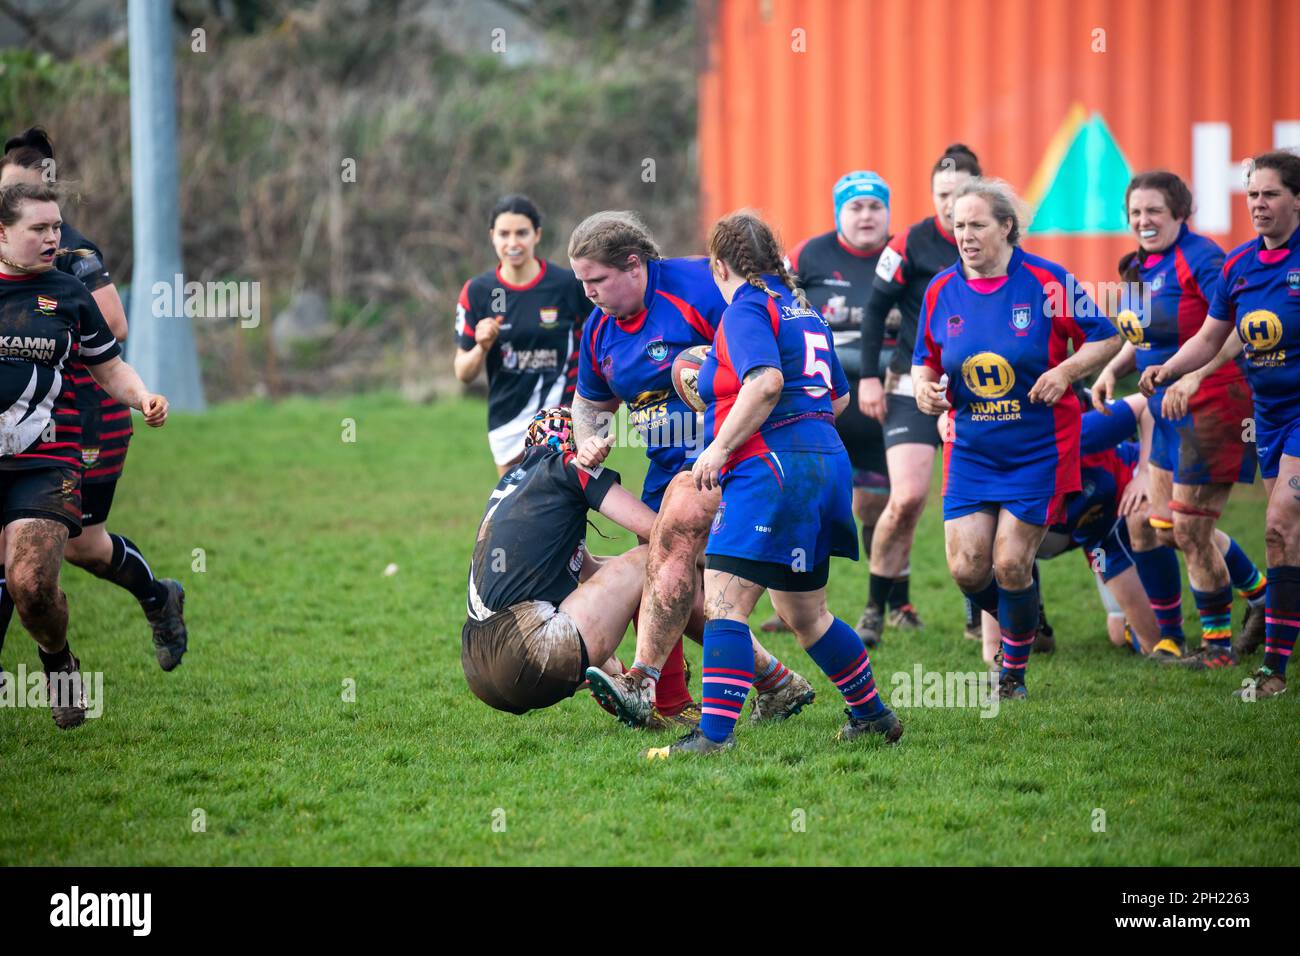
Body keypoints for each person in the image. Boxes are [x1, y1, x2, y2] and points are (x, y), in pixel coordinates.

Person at [641, 211, 902, 757]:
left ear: (720, 264)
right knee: (806, 614)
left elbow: (766, 383)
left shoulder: (746, 308)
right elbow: (838, 399)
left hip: (773, 470)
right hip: (827, 463)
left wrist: (719, 445)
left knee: (724, 605)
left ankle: (713, 738)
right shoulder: (803, 307)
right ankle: (873, 715)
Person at [568, 211, 815, 728]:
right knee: (669, 579)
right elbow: (588, 406)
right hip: (667, 467)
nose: (588, 293)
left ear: (633, 266)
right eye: (581, 282)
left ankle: (654, 691)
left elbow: (769, 343)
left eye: (596, 280)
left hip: (730, 456)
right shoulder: (597, 330)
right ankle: (773, 683)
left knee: (664, 563)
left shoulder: (701, 286)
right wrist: (590, 443)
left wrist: (711, 377)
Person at [913, 178, 1121, 700]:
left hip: (1037, 449)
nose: (965, 235)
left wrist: (1065, 371)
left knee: (1010, 563)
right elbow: (925, 361)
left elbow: (1108, 334)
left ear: (1007, 227)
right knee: (966, 569)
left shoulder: (1047, 283)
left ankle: (1012, 675)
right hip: (971, 450)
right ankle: (1025, 623)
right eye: (958, 225)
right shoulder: (941, 289)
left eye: (977, 224)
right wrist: (924, 391)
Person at [0, 128, 188, 681]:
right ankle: (57, 664)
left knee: (82, 545)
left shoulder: (71, 257)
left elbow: (114, 335)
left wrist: (135, 394)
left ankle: (156, 599)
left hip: (80, 419)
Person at [859, 144, 1039, 646]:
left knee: (992, 506)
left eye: (960, 196)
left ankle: (987, 613)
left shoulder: (1008, 253)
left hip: (983, 396)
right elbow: (875, 311)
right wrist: (872, 378)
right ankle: (876, 607)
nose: (950, 208)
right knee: (910, 495)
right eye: (942, 196)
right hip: (912, 385)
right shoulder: (910, 242)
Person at [1142, 150, 1300, 700]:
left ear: (1297, 199)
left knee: (1278, 525)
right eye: (1252, 194)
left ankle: (1271, 670)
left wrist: (1194, 378)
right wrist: (1169, 368)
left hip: (1268, 413)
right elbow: (1212, 336)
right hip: (1271, 416)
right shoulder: (1239, 265)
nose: (1258, 204)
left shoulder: (1207, 258)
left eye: (1271, 194)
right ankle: (1266, 635)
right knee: (1280, 537)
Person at [1093, 171, 1266, 669]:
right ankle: (1244, 602)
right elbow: (1143, 337)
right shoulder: (1140, 267)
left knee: (1188, 529)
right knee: (1154, 526)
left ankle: (1216, 649)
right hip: (1164, 409)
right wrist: (1112, 368)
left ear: (1180, 214)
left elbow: (1237, 324)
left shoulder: (1203, 258)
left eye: (1155, 212)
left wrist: (1195, 376)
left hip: (1213, 403)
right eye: (1136, 213)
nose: (1143, 221)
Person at [759, 170, 899, 634]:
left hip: (884, 397)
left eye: (875, 206)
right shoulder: (808, 255)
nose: (866, 216)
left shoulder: (903, 257)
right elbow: (770, 303)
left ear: (887, 212)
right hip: (821, 397)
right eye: (855, 207)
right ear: (839, 212)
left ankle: (895, 601)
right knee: (802, 498)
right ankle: (795, 603)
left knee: (884, 506)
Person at [454, 194, 591, 476]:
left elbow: (603, 337)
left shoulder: (567, 285)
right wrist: (481, 347)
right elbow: (463, 373)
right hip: (507, 421)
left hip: (561, 416)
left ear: (537, 235)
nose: (513, 243)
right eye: (504, 234)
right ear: (492, 236)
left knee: (562, 506)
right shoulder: (479, 291)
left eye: (521, 233)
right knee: (514, 512)